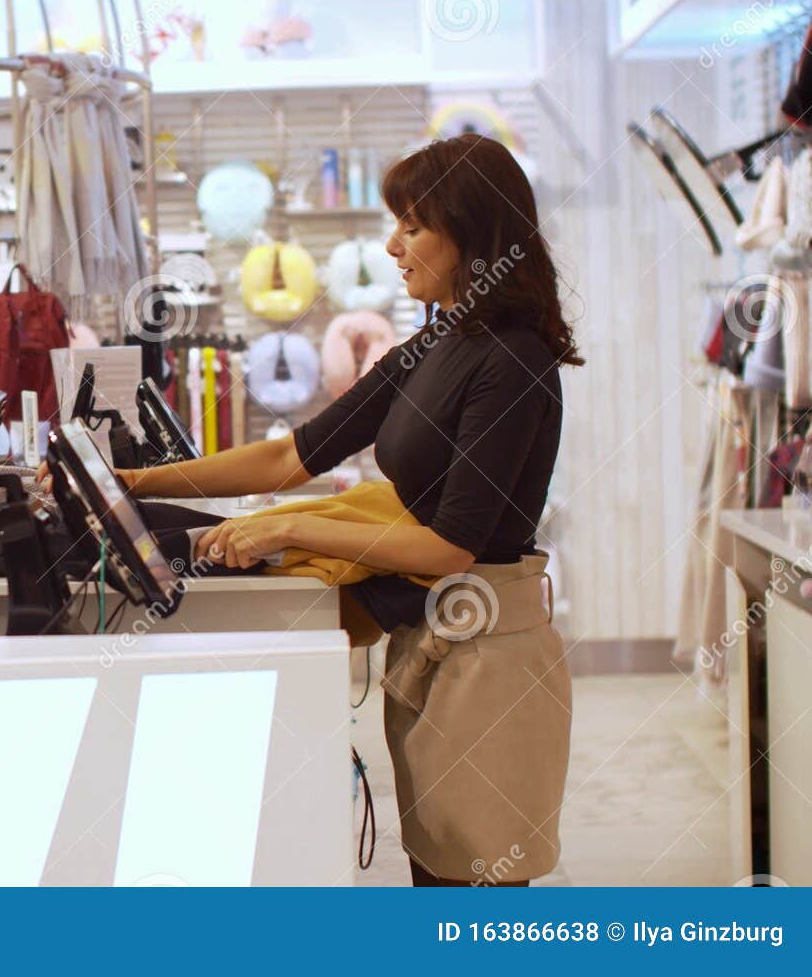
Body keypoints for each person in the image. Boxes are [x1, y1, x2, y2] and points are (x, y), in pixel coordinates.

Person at [47, 134, 581, 886]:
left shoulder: (512, 358)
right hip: (435, 637)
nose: (394, 245)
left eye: (413, 226)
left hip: (487, 651)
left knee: (476, 894)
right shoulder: (435, 343)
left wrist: (290, 525)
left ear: (474, 235)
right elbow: (290, 455)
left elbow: (451, 547)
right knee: (440, 870)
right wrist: (130, 482)